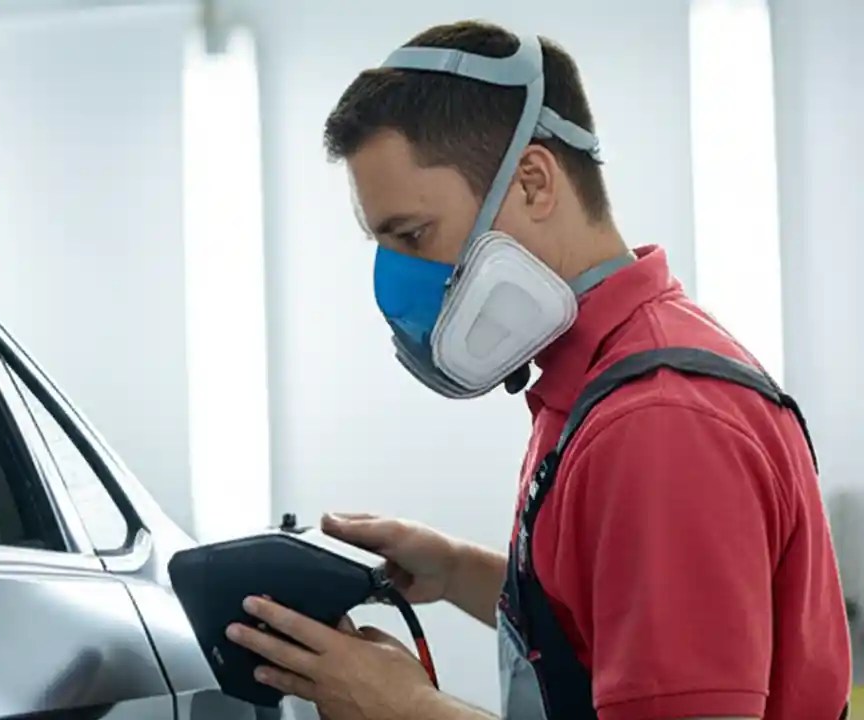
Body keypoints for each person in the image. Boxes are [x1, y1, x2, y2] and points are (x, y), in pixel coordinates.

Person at [223, 19, 852, 720]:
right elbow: (616, 630)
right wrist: (457, 568)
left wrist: (403, 709)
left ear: (532, 182)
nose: (401, 280)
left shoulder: (657, 423)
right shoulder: (602, 378)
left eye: (413, 235)